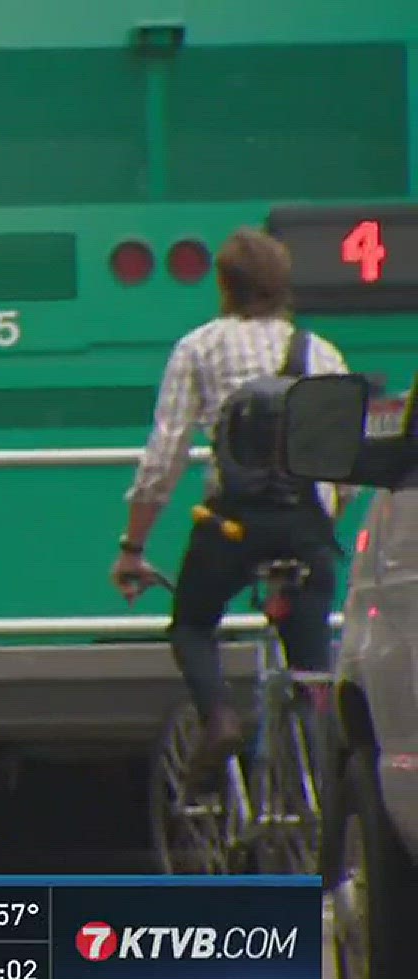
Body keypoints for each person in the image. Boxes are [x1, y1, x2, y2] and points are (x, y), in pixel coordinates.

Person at [110, 228, 352, 772]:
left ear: (224, 284)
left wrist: (133, 547)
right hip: (305, 529)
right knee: (311, 665)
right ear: (281, 284)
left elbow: (164, 457)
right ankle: (323, 776)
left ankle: (218, 718)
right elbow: (346, 458)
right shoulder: (319, 351)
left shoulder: (200, 347)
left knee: (193, 625)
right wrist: (321, 519)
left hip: (232, 529)